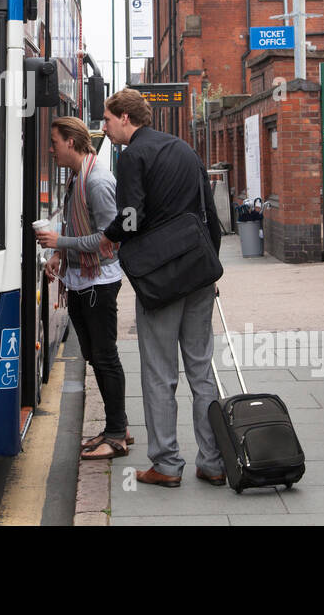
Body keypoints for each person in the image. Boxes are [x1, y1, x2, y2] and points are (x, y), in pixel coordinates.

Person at [101, 88, 225, 487]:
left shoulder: (133, 156)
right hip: (198, 271)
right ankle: (213, 461)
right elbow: (211, 214)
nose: (103, 128)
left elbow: (131, 218)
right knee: (201, 370)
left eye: (106, 120)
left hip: (160, 279)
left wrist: (110, 235)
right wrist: (209, 270)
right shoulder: (184, 149)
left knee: (159, 372)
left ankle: (167, 464)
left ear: (125, 118)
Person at [35, 116, 130, 460]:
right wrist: (59, 253)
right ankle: (116, 425)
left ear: (71, 143)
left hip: (99, 282)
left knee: (105, 357)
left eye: (55, 141)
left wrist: (62, 241)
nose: (51, 148)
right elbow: (76, 222)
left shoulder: (98, 181)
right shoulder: (79, 176)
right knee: (94, 356)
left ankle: (117, 434)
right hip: (79, 279)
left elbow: (109, 239)